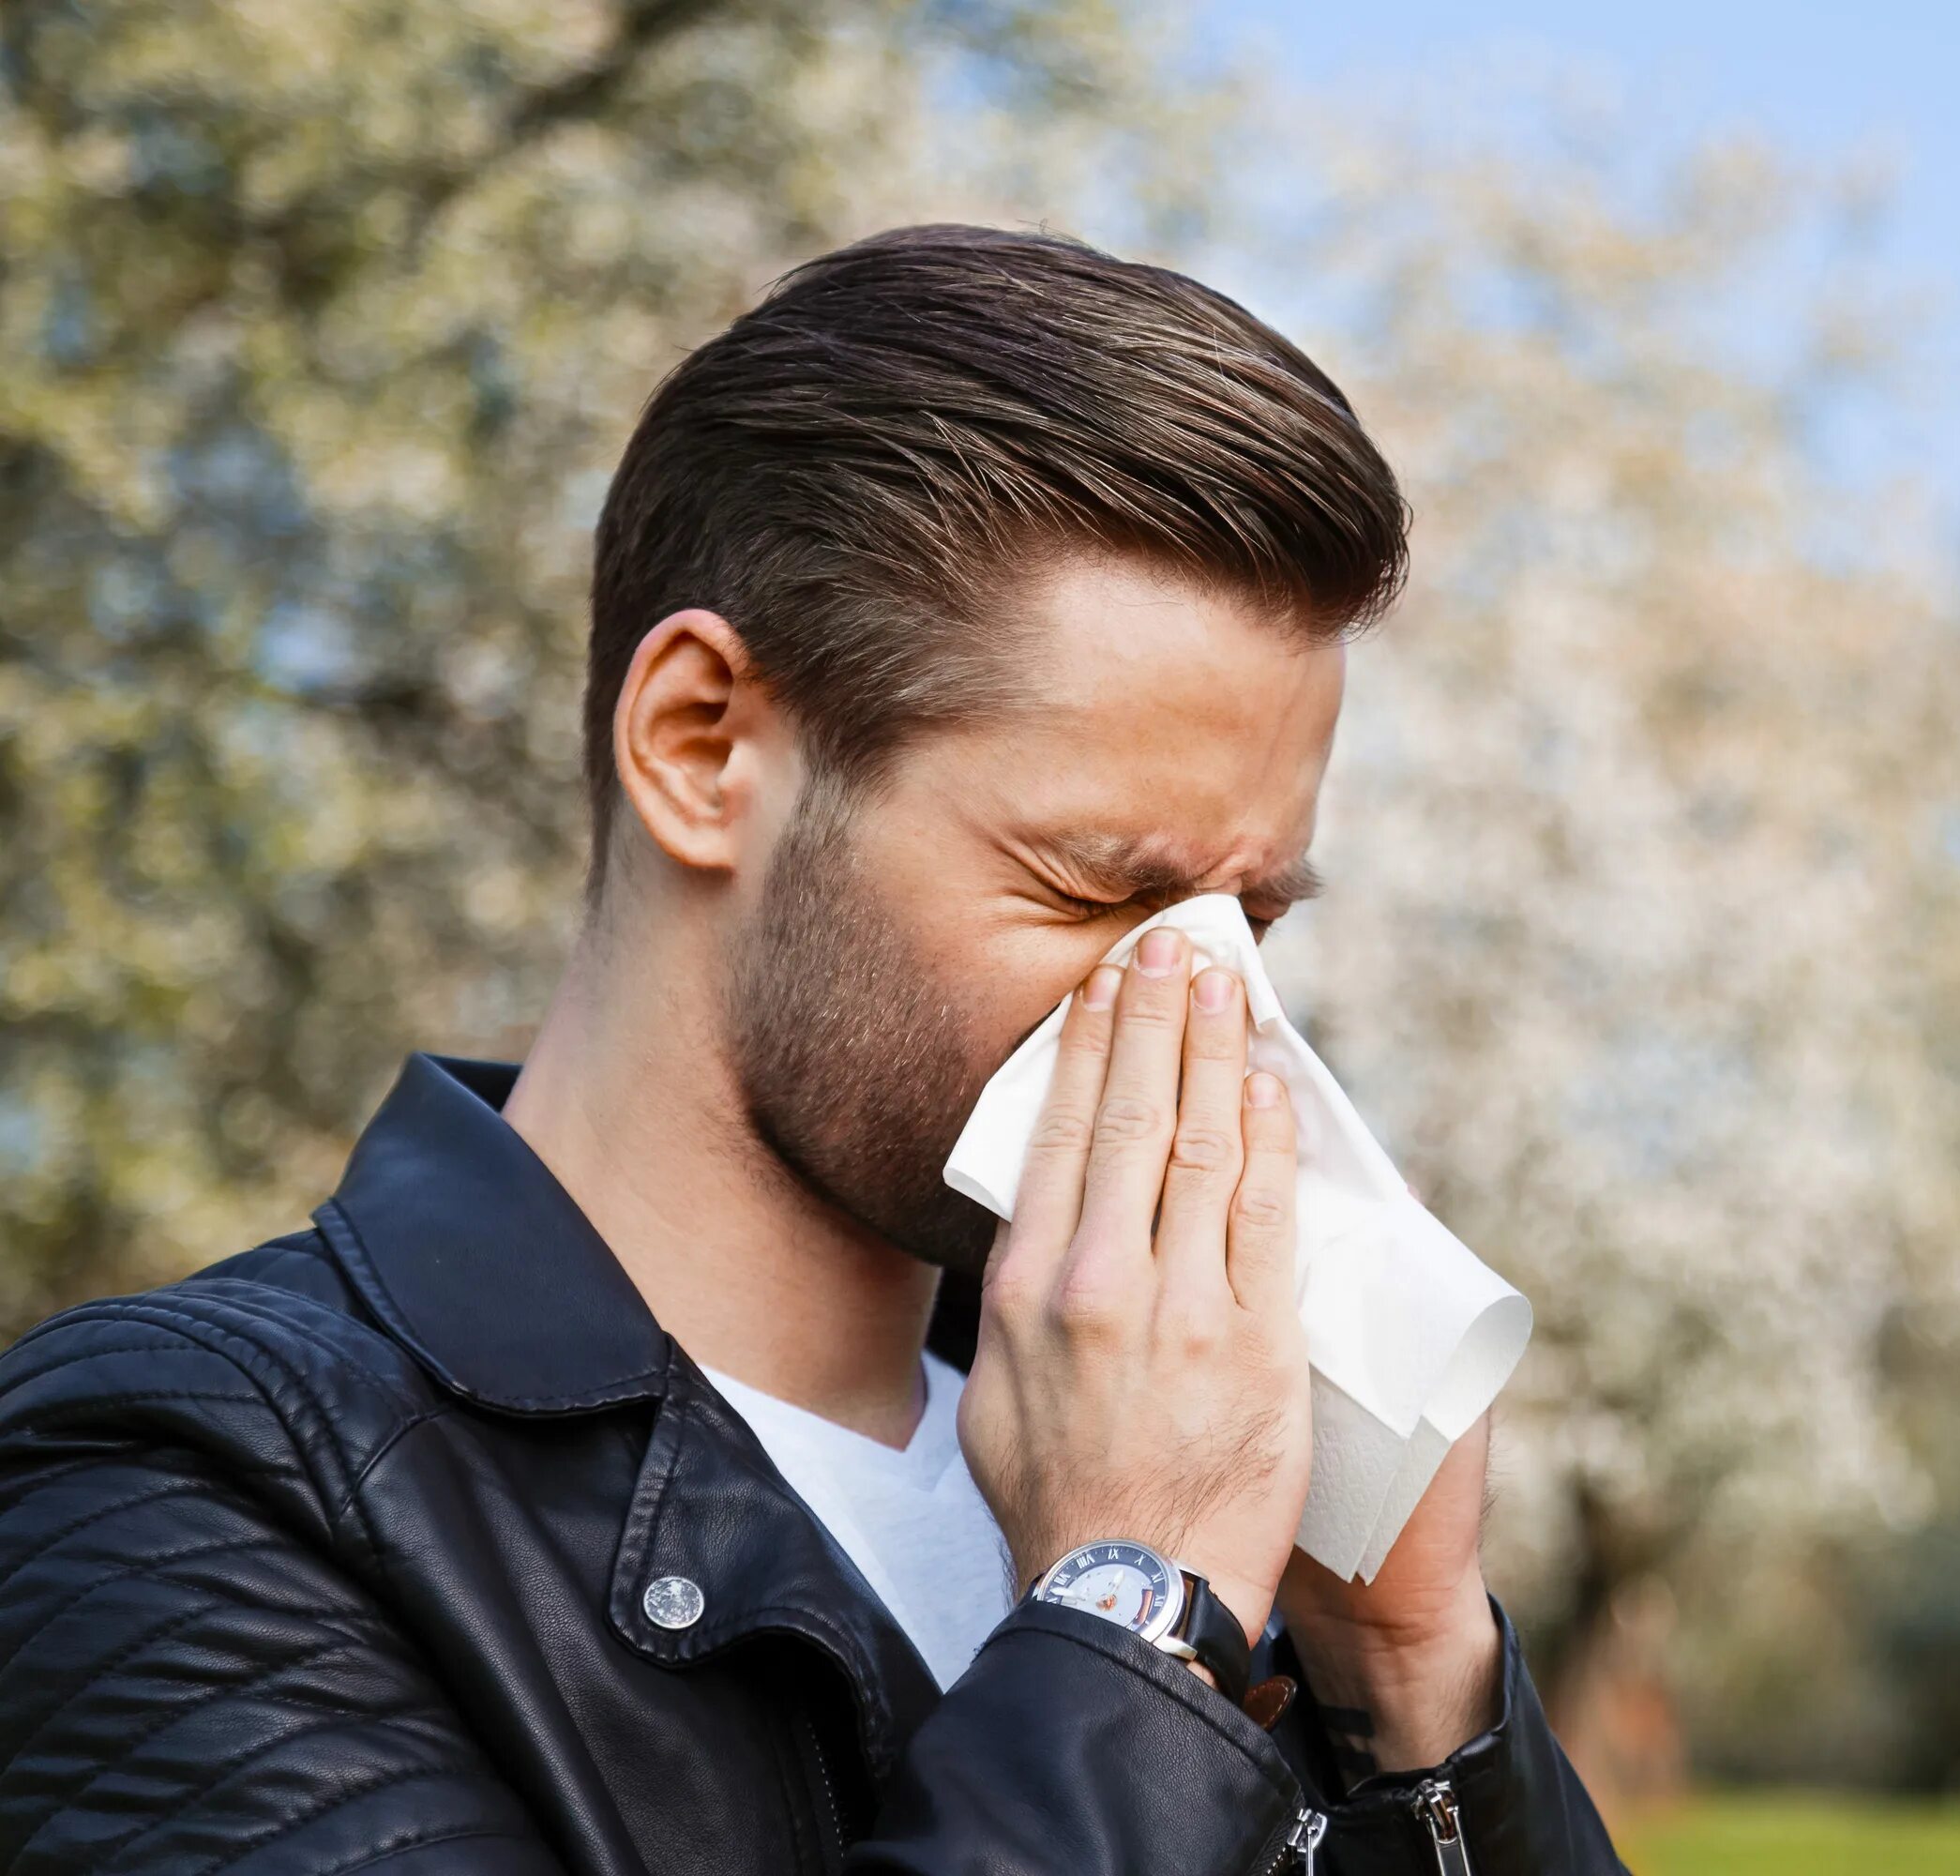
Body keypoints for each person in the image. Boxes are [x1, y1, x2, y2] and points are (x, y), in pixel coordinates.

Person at [0, 225, 1621, 1874]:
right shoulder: (182, 1491)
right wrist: (1135, 1614)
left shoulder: (1218, 1524)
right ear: (701, 746)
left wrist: (1418, 1685)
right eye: (1096, 889)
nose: (1209, 1015)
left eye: (1252, 922)